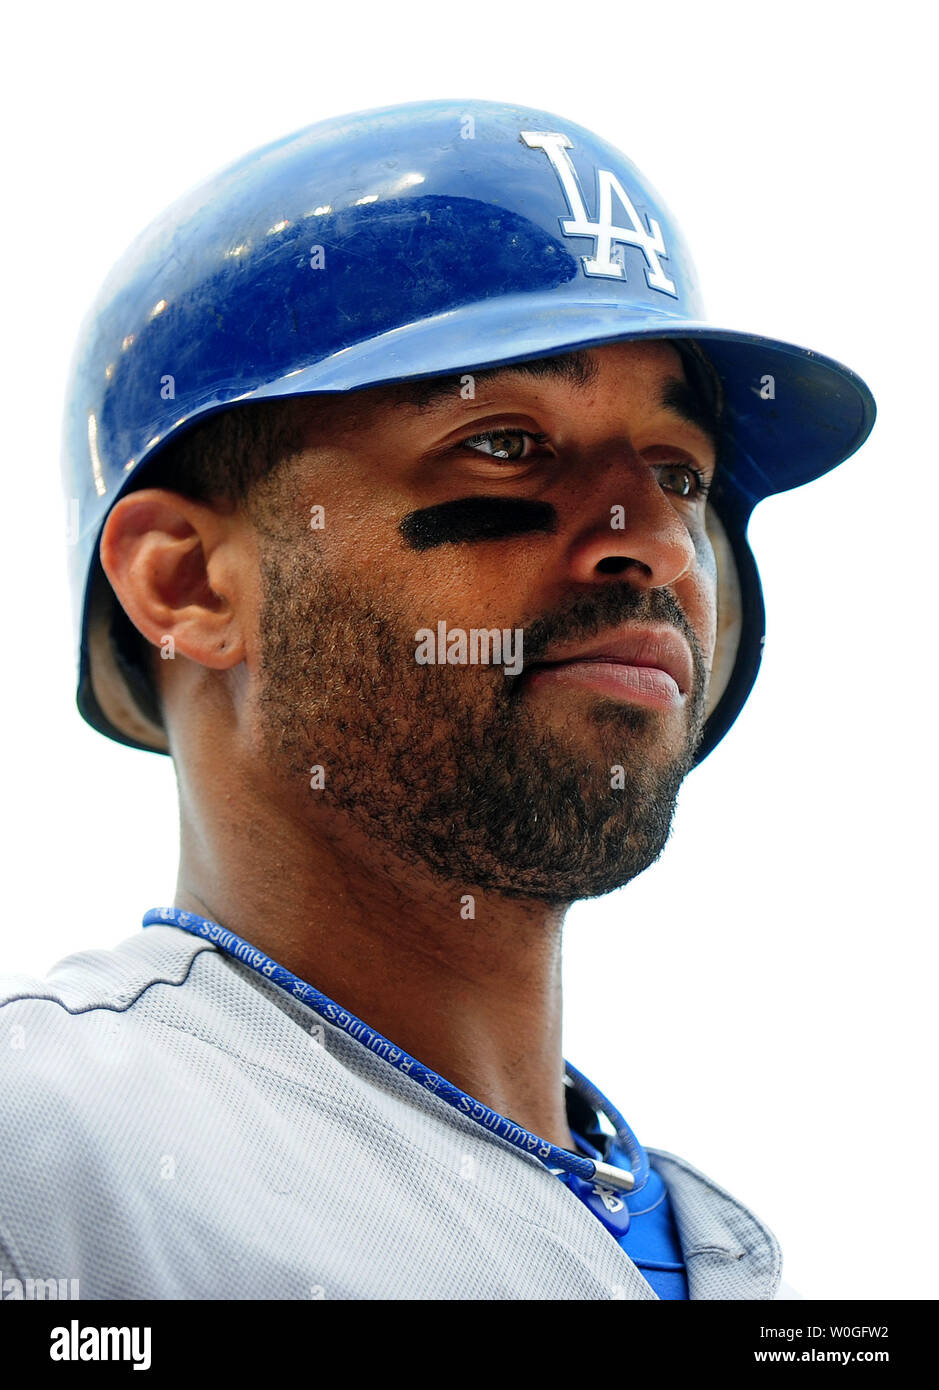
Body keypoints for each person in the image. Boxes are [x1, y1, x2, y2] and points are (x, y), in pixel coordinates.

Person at [0, 98, 874, 1300]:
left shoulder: (716, 1249)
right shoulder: (43, 1163)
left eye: (680, 473)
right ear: (189, 580)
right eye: (508, 442)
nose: (661, 544)